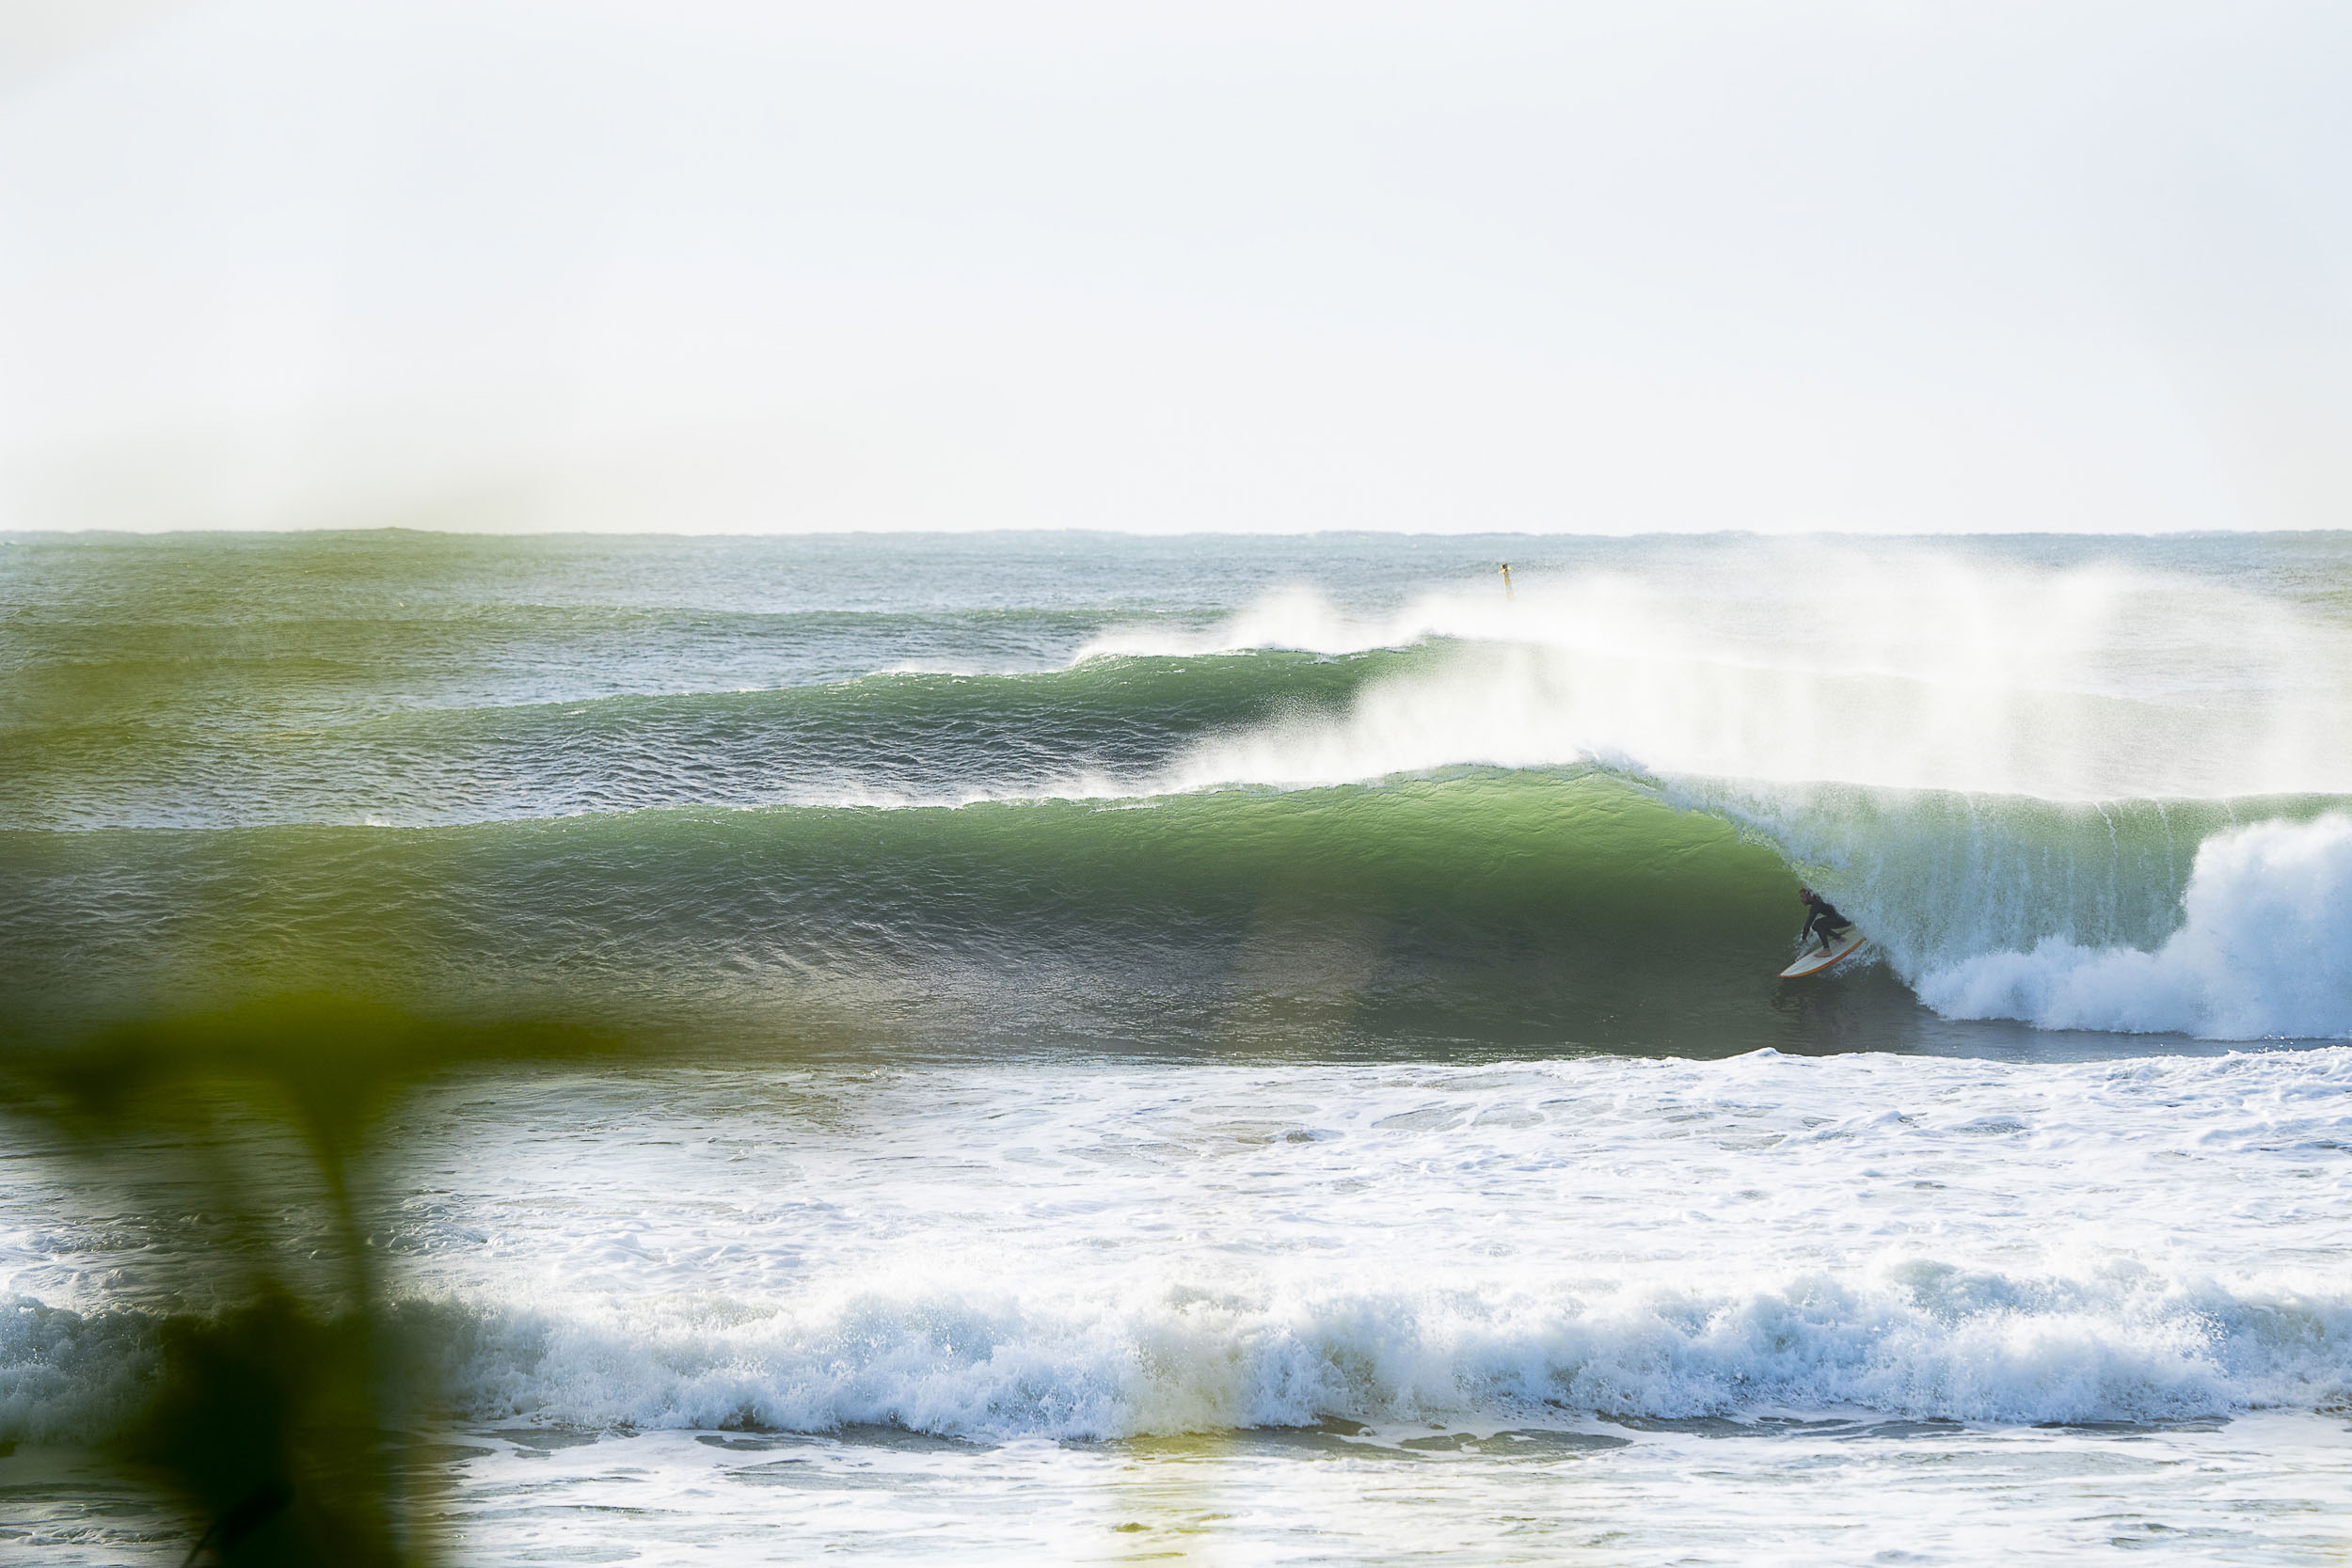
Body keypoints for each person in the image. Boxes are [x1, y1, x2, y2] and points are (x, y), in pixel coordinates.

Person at [1798, 887, 1851, 954]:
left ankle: (1827, 950)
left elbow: (1808, 924)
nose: (1801, 900)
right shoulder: (1819, 899)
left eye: (1802, 897)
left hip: (1844, 919)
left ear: (1809, 895)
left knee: (1818, 924)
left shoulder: (1816, 904)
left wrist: (1804, 938)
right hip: (1846, 918)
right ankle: (1838, 937)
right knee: (1815, 925)